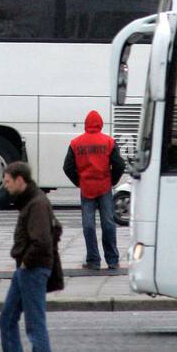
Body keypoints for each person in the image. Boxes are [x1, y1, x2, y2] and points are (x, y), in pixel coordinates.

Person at [0, 161, 56, 352]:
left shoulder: (37, 203)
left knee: (35, 325)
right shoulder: (29, 201)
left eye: (8, 181)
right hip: (25, 269)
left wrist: (25, 262)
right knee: (6, 320)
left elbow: (42, 240)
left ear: (20, 180)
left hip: (33, 269)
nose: (5, 186)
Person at [63, 110, 125, 272]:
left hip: (86, 188)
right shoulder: (109, 142)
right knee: (109, 224)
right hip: (104, 186)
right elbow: (119, 164)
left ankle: (93, 260)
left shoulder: (76, 143)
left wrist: (79, 181)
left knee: (88, 225)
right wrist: (112, 180)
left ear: (86, 124)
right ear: (100, 124)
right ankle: (112, 260)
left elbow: (67, 167)